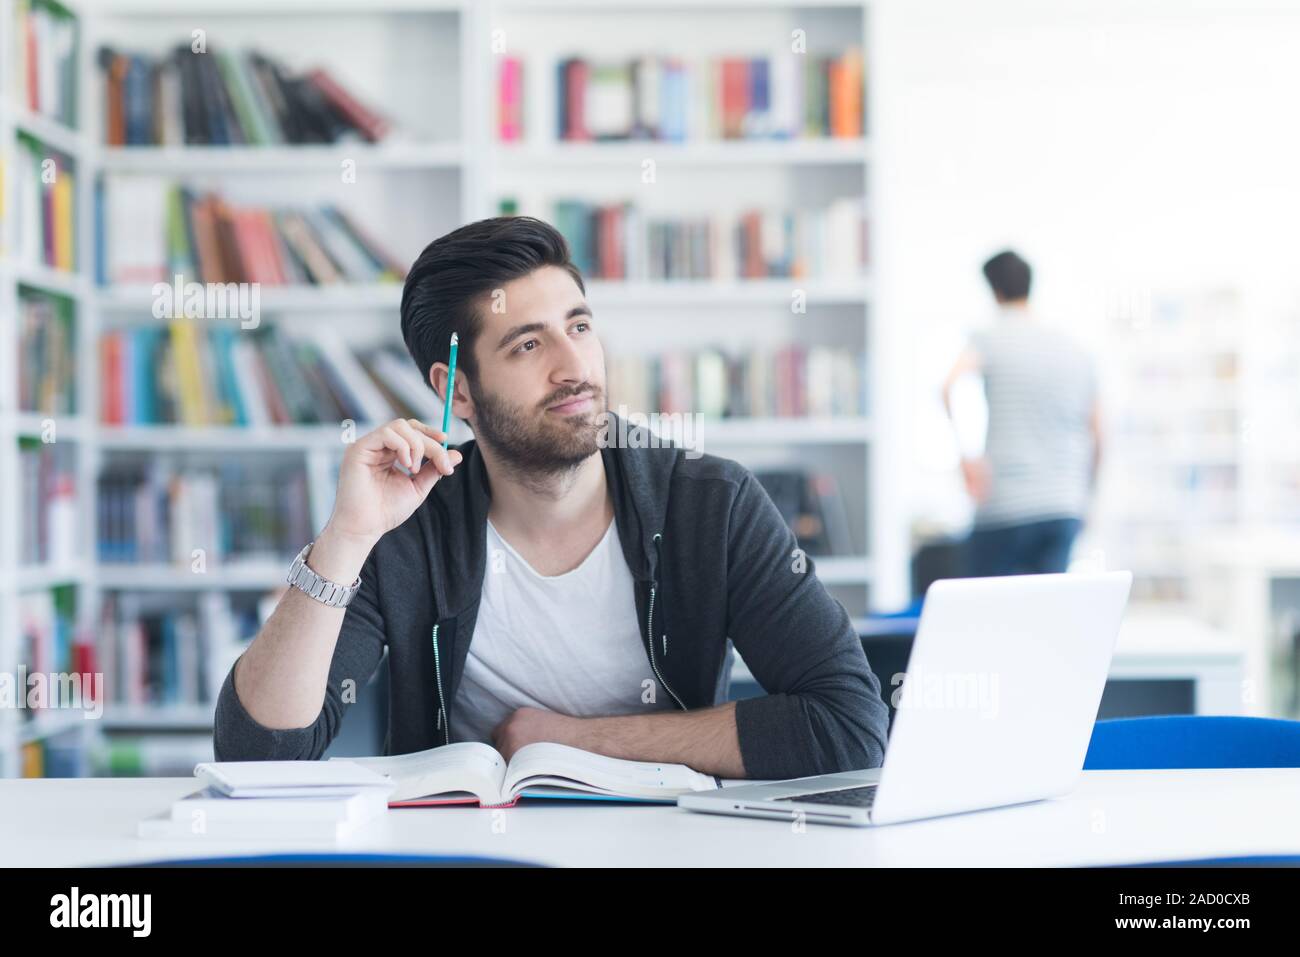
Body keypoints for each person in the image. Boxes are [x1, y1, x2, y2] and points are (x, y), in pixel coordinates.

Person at [213, 216, 889, 780]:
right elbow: (260, 753)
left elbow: (850, 725)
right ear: (460, 391)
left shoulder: (711, 505)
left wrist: (568, 738)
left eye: (580, 327)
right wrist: (346, 537)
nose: (574, 368)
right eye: (528, 343)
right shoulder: (410, 523)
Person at [941, 250, 1102, 577]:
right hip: (1063, 506)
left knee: (985, 615)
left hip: (1005, 506)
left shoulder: (988, 338)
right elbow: (1098, 431)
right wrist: (1088, 495)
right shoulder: (1075, 348)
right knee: (1047, 614)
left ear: (994, 291)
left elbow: (947, 387)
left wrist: (966, 459)